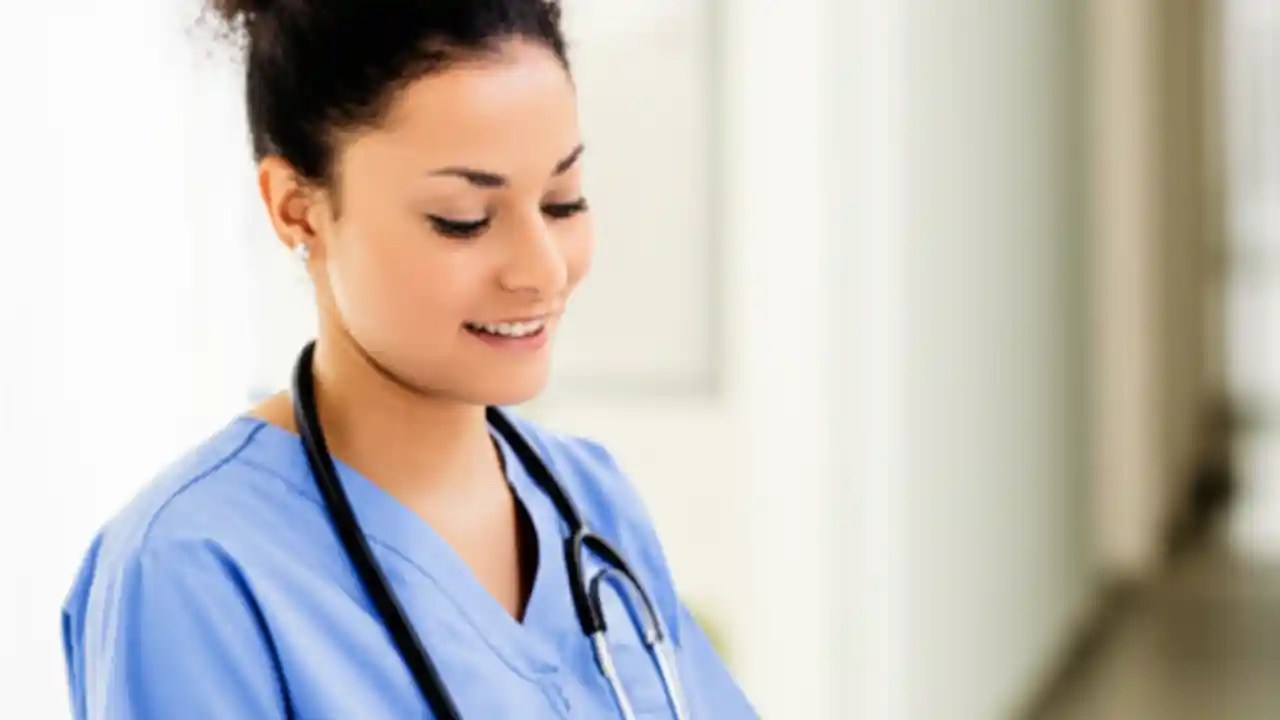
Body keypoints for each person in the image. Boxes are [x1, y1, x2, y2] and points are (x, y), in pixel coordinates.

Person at [59, 1, 756, 717]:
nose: (541, 270)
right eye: (463, 219)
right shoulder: (192, 567)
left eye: (562, 202)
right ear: (297, 209)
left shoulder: (591, 499)